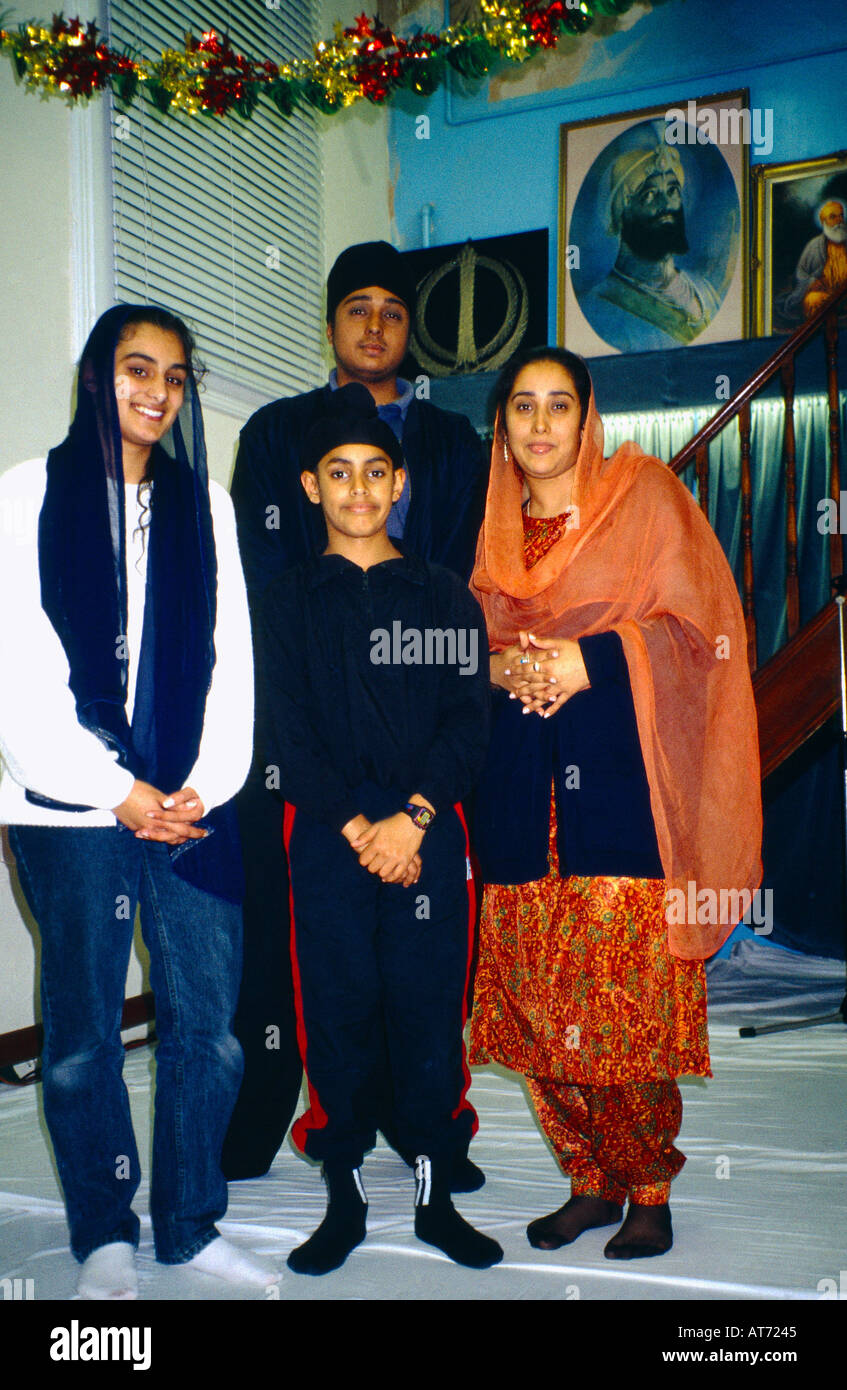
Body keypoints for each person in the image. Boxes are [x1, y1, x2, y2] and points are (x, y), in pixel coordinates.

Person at [0, 305, 275, 1299]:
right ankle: (105, 1232)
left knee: (209, 1023)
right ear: (96, 375)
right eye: (135, 368)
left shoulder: (208, 507)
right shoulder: (26, 494)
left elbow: (234, 662)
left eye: (175, 375)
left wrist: (203, 781)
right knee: (80, 1038)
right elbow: (17, 677)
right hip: (69, 810)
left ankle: (192, 1225)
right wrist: (119, 791)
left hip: (195, 802)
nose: (156, 391)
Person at [468, 345, 762, 1258]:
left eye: (560, 404)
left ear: (587, 418)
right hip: (522, 799)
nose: (541, 424)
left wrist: (587, 658)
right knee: (540, 993)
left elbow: (699, 629)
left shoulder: (642, 499)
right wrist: (499, 663)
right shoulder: (491, 532)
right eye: (523, 406)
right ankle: (586, 1180)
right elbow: (465, 643)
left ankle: (646, 1186)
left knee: (623, 1001)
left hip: (622, 798)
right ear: (503, 426)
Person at [223, 239, 489, 1188]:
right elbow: (260, 584)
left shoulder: (452, 443)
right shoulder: (275, 432)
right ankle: (295, 1122)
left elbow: (463, 575)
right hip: (311, 737)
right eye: (355, 306)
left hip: (424, 737)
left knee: (424, 965)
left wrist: (419, 801)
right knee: (308, 958)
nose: (375, 323)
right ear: (330, 322)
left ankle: (427, 1127)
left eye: (391, 307)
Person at [256, 383, 502, 1275]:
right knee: (338, 1006)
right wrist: (361, 827)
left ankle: (436, 1190)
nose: (358, 489)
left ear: (399, 483)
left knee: (429, 1007)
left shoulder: (443, 598)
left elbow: (465, 724)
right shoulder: (285, 603)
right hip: (327, 839)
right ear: (310, 486)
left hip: (429, 840)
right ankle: (345, 1190)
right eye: (338, 473)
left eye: (374, 472)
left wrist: (414, 819)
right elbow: (286, 731)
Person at [581, 131, 722, 351]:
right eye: (649, 194)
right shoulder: (599, 305)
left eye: (673, 190)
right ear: (622, 209)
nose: (666, 203)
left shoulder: (705, 292)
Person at [777, 197, 847, 324]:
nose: (839, 222)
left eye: (841, 216)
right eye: (833, 217)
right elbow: (801, 272)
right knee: (812, 300)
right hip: (825, 294)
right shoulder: (815, 246)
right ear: (824, 222)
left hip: (844, 295)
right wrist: (811, 282)